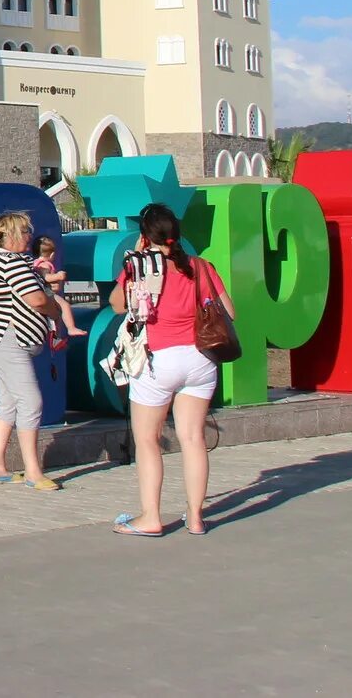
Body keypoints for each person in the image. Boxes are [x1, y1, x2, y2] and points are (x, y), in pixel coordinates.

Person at [109, 202, 235, 537]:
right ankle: (195, 517)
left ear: (144, 236)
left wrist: (136, 261)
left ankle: (151, 517)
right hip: (200, 359)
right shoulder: (201, 266)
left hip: (159, 360)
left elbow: (117, 304)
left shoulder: (139, 267)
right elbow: (230, 312)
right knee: (193, 438)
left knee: (148, 439)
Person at [0, 210, 61, 491]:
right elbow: (36, 300)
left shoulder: (8, 260)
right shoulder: (10, 263)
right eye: (24, 231)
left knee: (9, 403)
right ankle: (33, 471)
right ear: (9, 236)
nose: (29, 236)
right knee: (30, 402)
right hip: (6, 340)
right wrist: (56, 311)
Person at [31, 238, 85, 340]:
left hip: (45, 292)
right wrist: (58, 276)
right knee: (65, 305)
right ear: (51, 255)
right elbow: (46, 277)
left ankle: (56, 334)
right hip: (47, 292)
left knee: (57, 313)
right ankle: (71, 328)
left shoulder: (35, 262)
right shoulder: (44, 265)